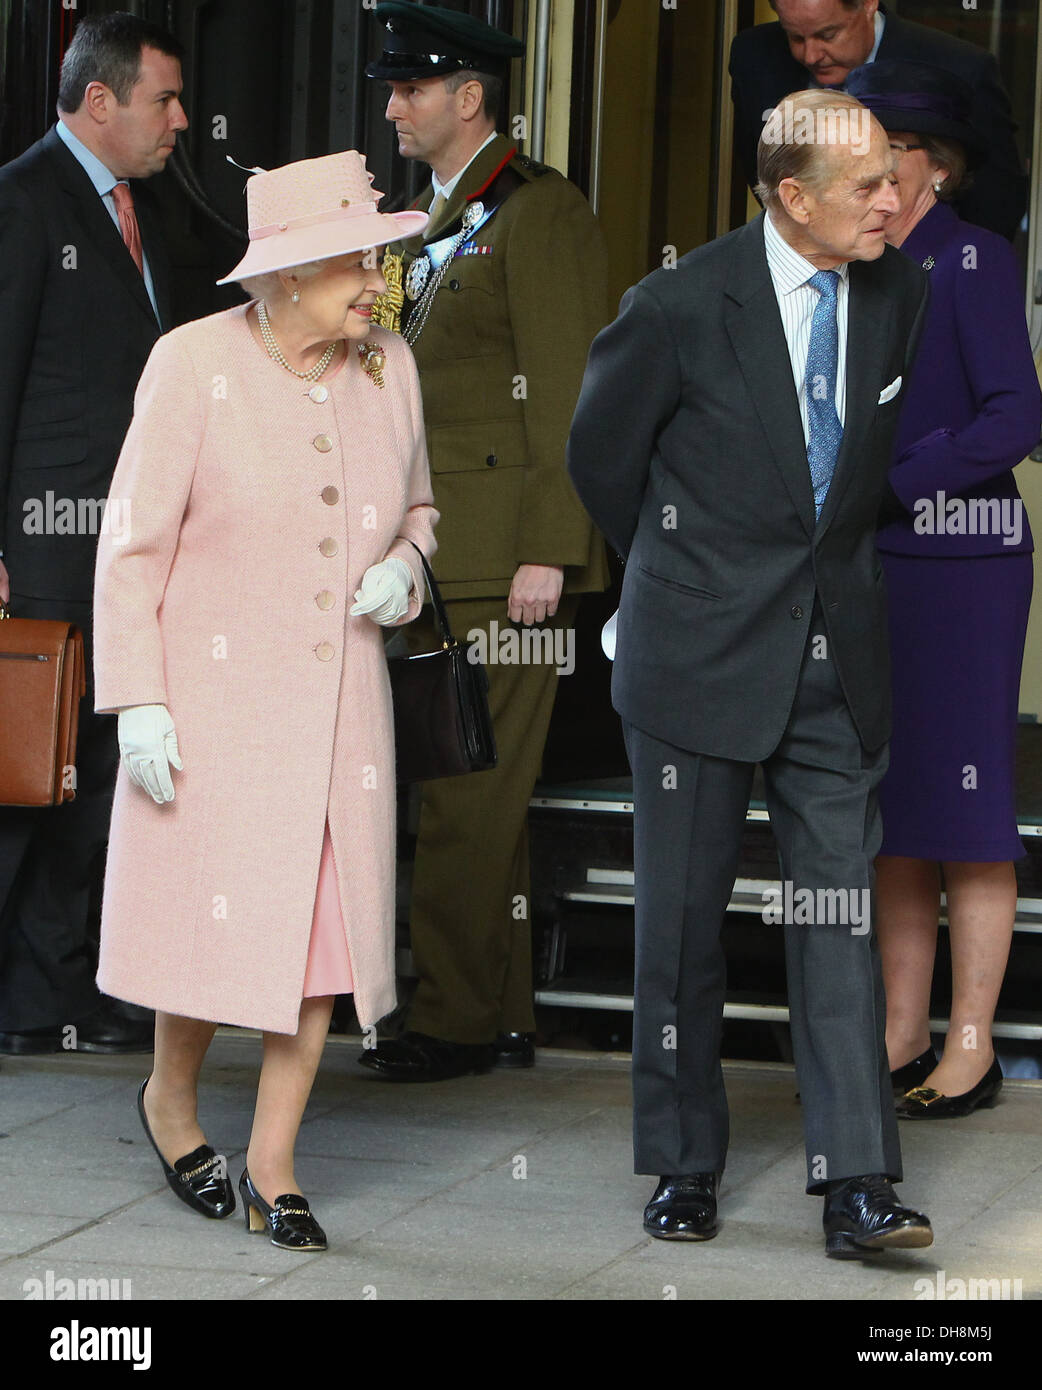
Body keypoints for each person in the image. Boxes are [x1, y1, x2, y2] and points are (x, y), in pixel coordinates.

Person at [568, 89, 935, 1258]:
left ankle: (858, 1181)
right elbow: (602, 465)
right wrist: (684, 585)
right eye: (868, 183)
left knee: (837, 913)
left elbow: (848, 487)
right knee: (677, 925)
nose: (895, 198)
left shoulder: (899, 292)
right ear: (790, 197)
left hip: (836, 660)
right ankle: (682, 1165)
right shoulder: (674, 305)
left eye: (893, 174)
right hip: (693, 660)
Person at [90, 150, 436, 1249]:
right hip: (215, 709)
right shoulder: (191, 364)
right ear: (287, 274)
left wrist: (410, 570)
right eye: (357, 261)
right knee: (213, 927)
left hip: (341, 721)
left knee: (322, 939)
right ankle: (172, 1101)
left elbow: (420, 509)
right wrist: (137, 700)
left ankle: (274, 1161)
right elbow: (131, 551)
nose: (376, 278)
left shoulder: (389, 364)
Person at [357, 2, 610, 1083]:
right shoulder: (429, 216)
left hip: (508, 555)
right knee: (472, 786)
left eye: (410, 88)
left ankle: (450, 1020)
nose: (391, 105)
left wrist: (552, 547)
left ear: (469, 98)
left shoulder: (536, 212)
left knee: (465, 796)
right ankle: (496, 1007)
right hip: (440, 550)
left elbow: (570, 394)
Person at [843, 62, 1042, 1118]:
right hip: (875, 568)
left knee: (966, 816)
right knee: (896, 810)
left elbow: (1017, 417)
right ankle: (895, 1031)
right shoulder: (851, 257)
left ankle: (971, 1048)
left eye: (879, 149)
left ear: (925, 162)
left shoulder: (975, 257)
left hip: (961, 571)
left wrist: (896, 483)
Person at [0, 12, 186, 1056]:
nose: (180, 118)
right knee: (26, 770)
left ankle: (51, 991)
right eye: (163, 98)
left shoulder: (159, 209)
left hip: (121, 549)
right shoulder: (22, 201)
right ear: (101, 100)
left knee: (93, 774)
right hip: (40, 548)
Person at [729, 1, 1027, 241]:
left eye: (828, 35)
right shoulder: (753, 57)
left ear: (868, 4)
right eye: (795, 37)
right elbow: (760, 169)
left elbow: (997, 200)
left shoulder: (961, 67)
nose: (810, 55)